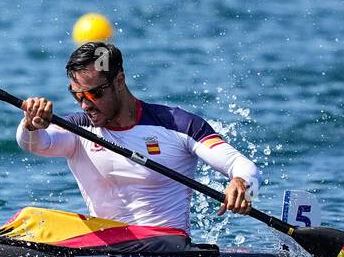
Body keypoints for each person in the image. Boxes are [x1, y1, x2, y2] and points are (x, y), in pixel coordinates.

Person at [18, 41, 260, 240]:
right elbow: (36, 144)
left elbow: (245, 167)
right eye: (77, 95)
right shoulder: (80, 129)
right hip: (105, 243)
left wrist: (241, 184)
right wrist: (30, 124)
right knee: (31, 220)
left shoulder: (178, 125)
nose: (84, 104)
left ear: (119, 81)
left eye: (94, 94)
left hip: (167, 244)